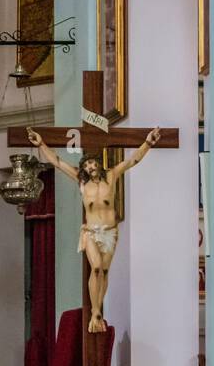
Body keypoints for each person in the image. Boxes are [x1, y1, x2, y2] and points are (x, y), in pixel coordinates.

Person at [27, 125, 161, 333]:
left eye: (92, 162)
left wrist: (149, 143)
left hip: (110, 232)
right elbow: (58, 162)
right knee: (96, 267)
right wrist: (41, 144)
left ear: (98, 163)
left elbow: (132, 160)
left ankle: (98, 313)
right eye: (87, 165)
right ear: (84, 169)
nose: (90, 167)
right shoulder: (81, 181)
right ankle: (95, 312)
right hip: (90, 231)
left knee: (105, 271)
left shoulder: (112, 175)